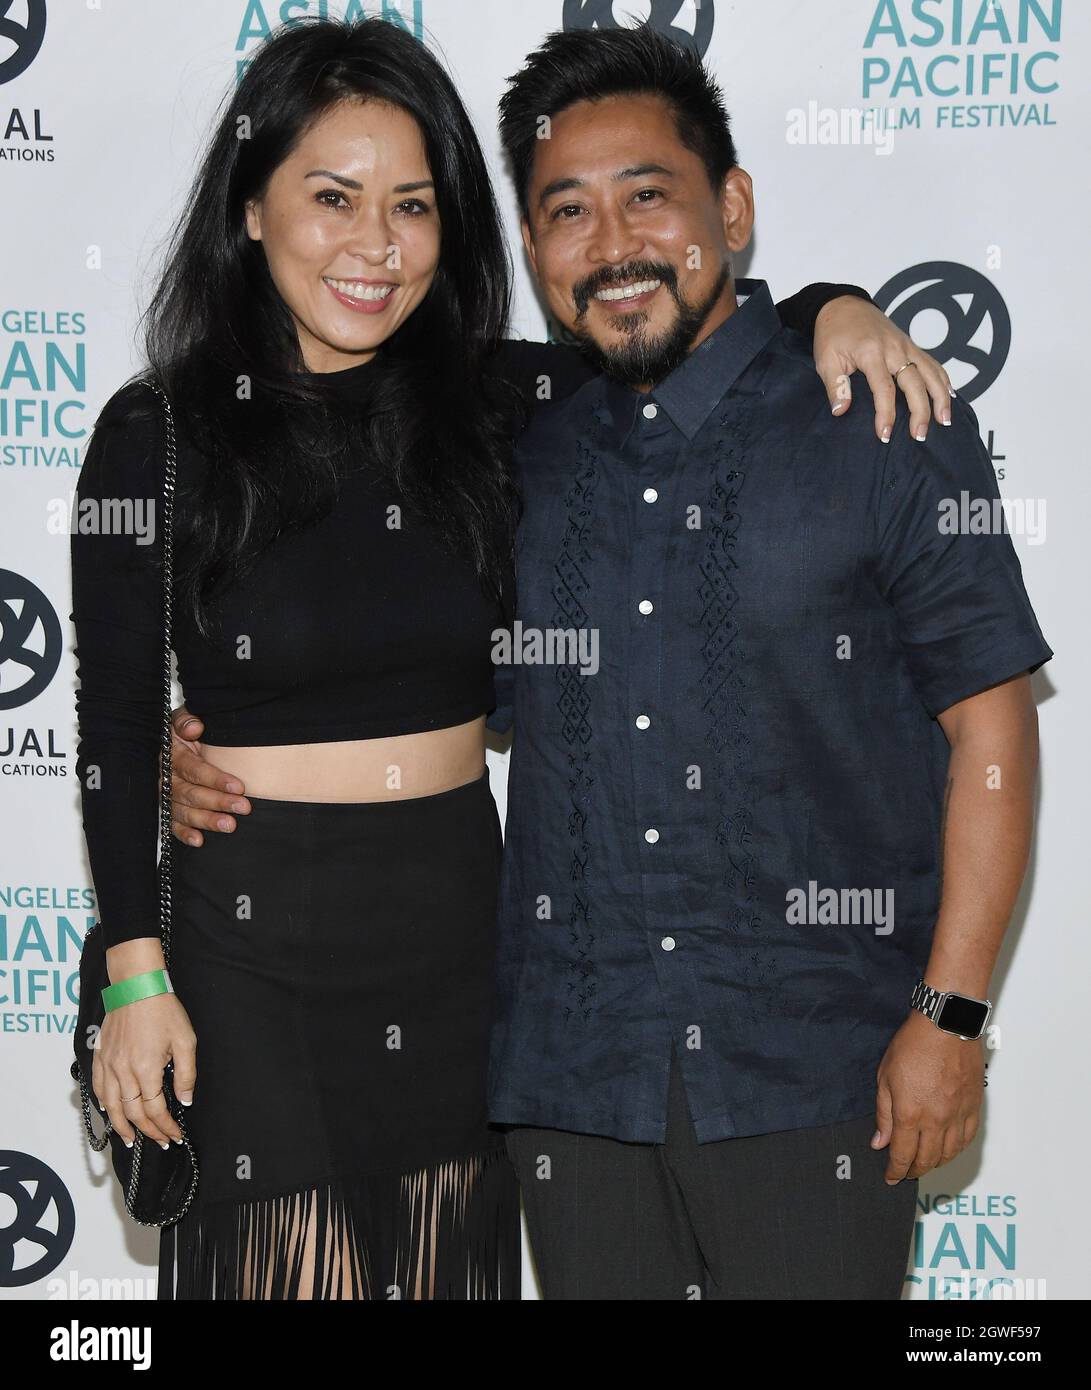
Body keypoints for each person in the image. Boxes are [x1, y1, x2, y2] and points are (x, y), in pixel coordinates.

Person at [133, 20, 949, 1300]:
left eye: (411, 203)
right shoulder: (166, 428)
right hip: (253, 951)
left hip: (461, 956)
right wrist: (145, 883)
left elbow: (677, 329)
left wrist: (828, 303)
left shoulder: (495, 404)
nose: (373, 241)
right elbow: (113, 719)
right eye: (332, 197)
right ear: (249, 206)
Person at [480, 24, 1050, 1299]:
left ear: (729, 208)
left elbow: (993, 731)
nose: (611, 242)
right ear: (531, 250)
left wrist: (951, 1016)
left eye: (647, 196)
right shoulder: (514, 450)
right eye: (565, 211)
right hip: (574, 1083)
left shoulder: (880, 416)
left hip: (820, 1075)